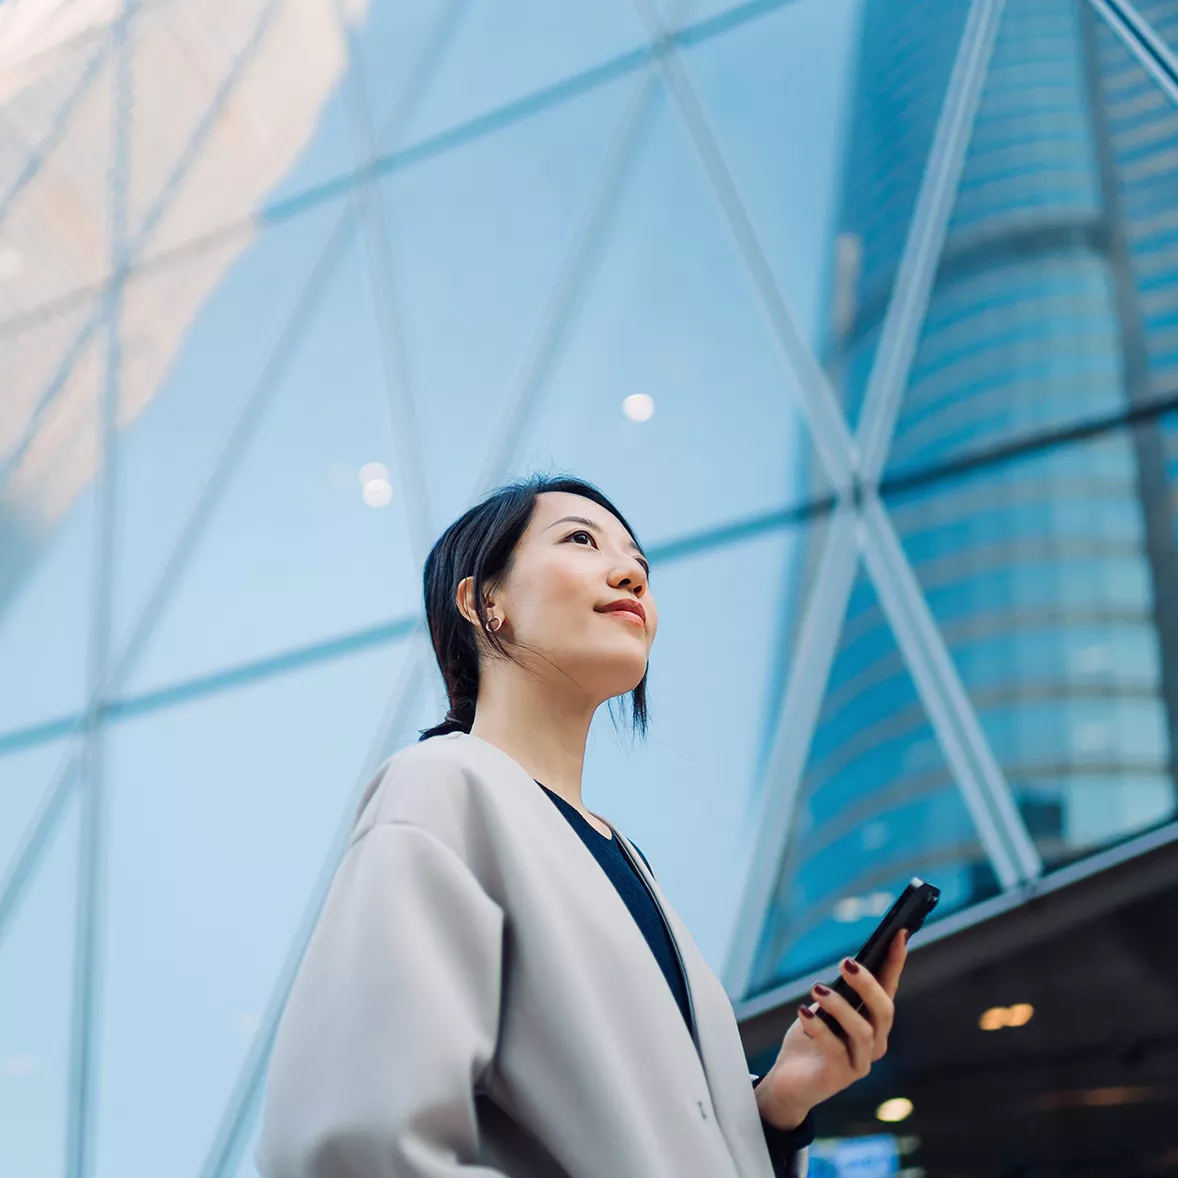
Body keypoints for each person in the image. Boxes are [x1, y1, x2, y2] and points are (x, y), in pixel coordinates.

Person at [255, 474, 908, 1178]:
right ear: (483, 602)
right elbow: (354, 1147)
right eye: (580, 540)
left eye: (639, 564)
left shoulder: (626, 863)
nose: (631, 573)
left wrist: (778, 1106)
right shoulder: (443, 787)